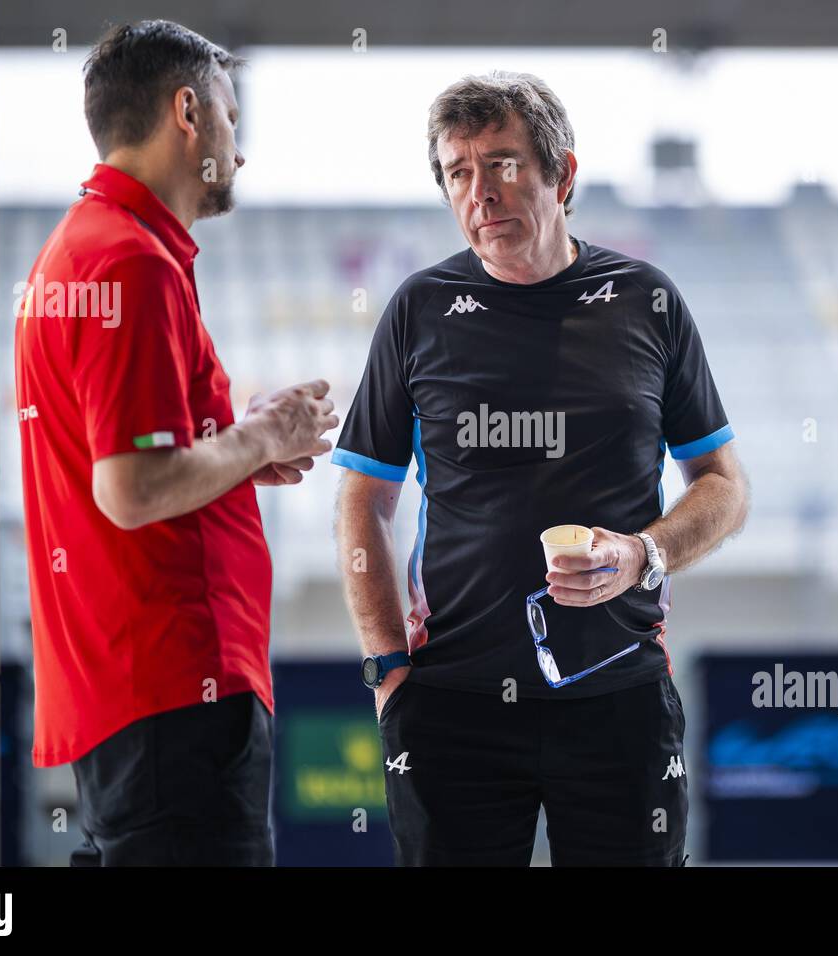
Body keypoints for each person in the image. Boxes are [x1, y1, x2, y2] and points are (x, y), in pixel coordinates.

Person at [333, 70, 749, 866]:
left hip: (619, 698)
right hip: (450, 703)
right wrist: (387, 667)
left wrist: (643, 554)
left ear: (563, 173)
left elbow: (725, 486)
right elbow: (364, 499)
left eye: (502, 164)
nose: (480, 192)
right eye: (458, 172)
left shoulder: (646, 301)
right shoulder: (420, 308)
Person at [14, 20, 336, 866]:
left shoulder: (86, 252)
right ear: (186, 112)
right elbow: (134, 487)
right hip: (176, 692)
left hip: (134, 694)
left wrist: (243, 448)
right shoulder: (130, 263)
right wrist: (262, 434)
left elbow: (140, 462)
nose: (242, 147)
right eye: (231, 116)